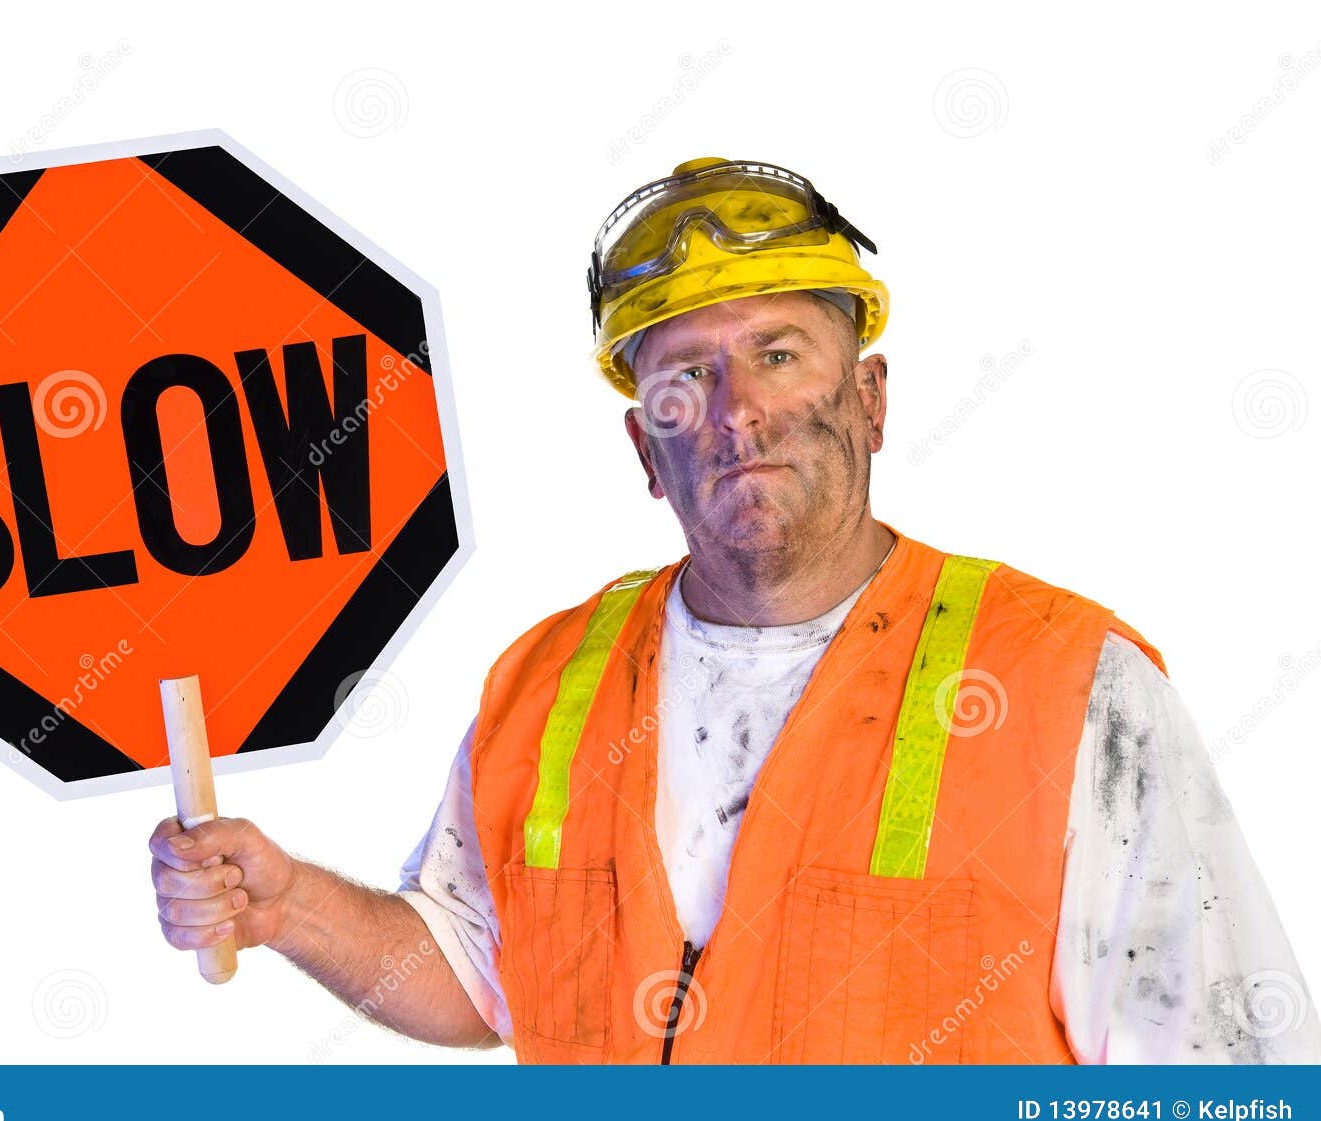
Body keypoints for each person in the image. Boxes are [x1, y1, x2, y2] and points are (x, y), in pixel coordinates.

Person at [149, 158, 1320, 1064]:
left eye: (776, 353)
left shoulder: (1069, 685)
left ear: (869, 397)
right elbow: (480, 973)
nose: (736, 411)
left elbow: (1222, 1070)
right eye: (685, 376)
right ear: (643, 447)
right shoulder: (549, 684)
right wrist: (289, 904)